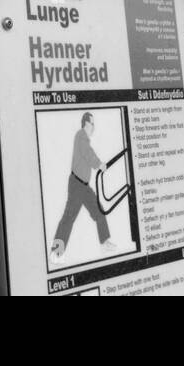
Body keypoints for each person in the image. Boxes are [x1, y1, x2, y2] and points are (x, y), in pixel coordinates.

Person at [51, 112, 116, 261]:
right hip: (76, 185)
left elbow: (88, 153)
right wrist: (99, 164)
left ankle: (105, 243)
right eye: (92, 124)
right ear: (86, 124)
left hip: (84, 187)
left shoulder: (84, 138)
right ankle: (56, 252)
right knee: (69, 217)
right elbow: (88, 153)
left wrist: (98, 164)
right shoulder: (81, 136)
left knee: (98, 211)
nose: (94, 127)